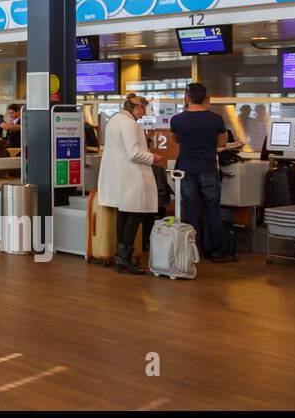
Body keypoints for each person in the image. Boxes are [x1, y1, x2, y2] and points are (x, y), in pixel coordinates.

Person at [98, 93, 164, 274]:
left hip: (121, 176)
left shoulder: (115, 120)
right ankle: (123, 258)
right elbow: (133, 153)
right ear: (136, 108)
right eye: (143, 110)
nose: (143, 115)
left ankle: (121, 257)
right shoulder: (128, 123)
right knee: (135, 214)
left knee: (124, 213)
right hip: (131, 176)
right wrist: (153, 157)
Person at [170, 82, 233, 263]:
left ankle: (191, 251)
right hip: (208, 168)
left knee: (190, 209)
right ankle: (216, 252)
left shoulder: (177, 120)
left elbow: (176, 139)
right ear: (205, 98)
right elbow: (222, 143)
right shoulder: (215, 119)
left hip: (185, 169)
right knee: (212, 210)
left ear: (187, 98)